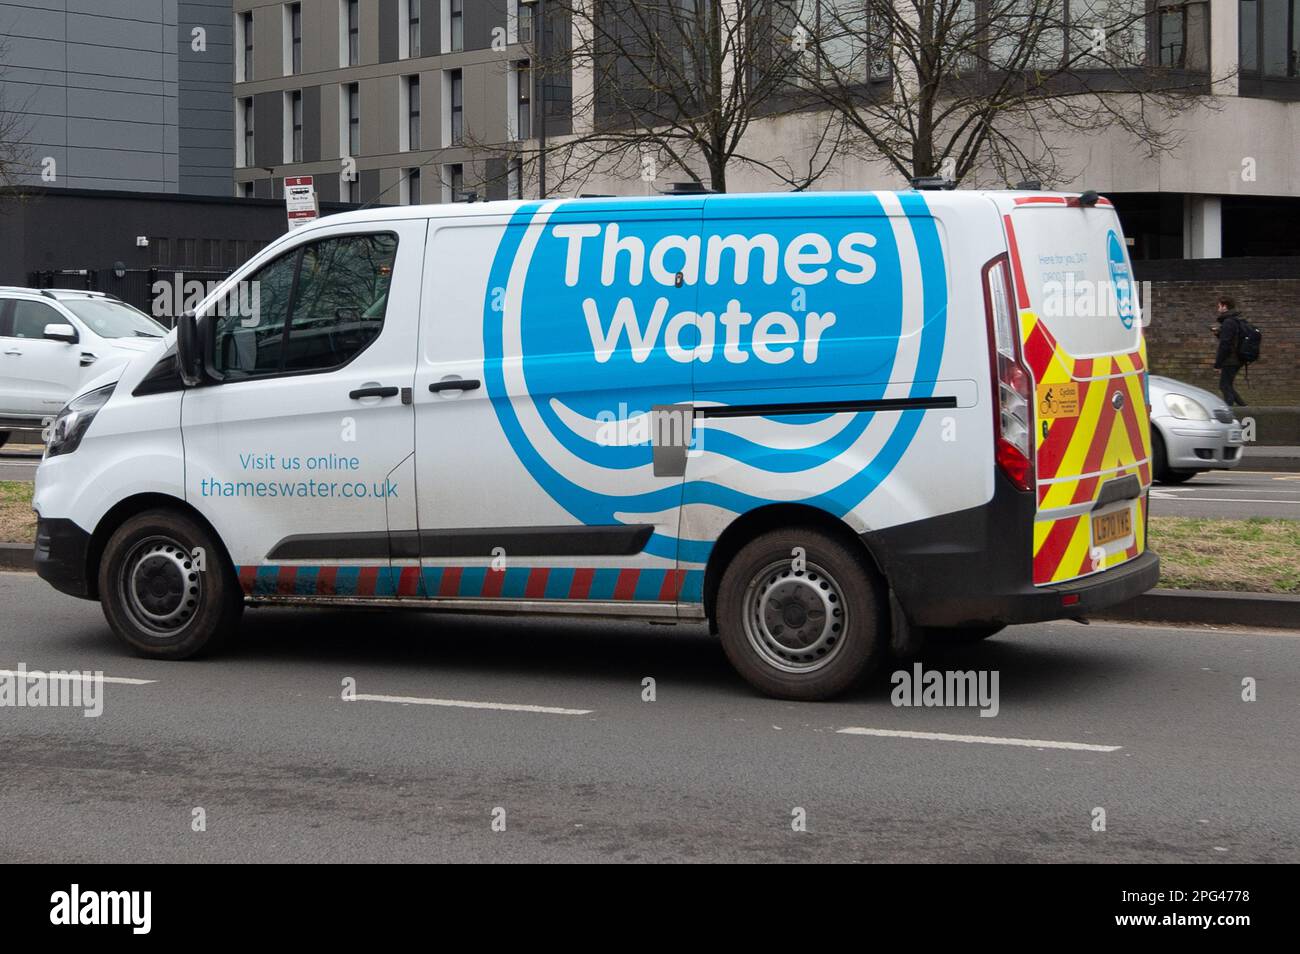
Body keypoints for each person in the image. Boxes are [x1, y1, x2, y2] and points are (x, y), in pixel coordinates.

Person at [1212, 296, 1247, 407]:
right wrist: (1219, 334)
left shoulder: (1228, 322)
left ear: (1224, 306)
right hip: (1237, 358)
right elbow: (1231, 340)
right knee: (1227, 386)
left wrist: (1218, 364)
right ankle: (1245, 408)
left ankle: (1230, 412)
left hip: (1231, 359)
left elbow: (1225, 345)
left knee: (1224, 386)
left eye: (1219, 306)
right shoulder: (1235, 320)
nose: (1218, 309)